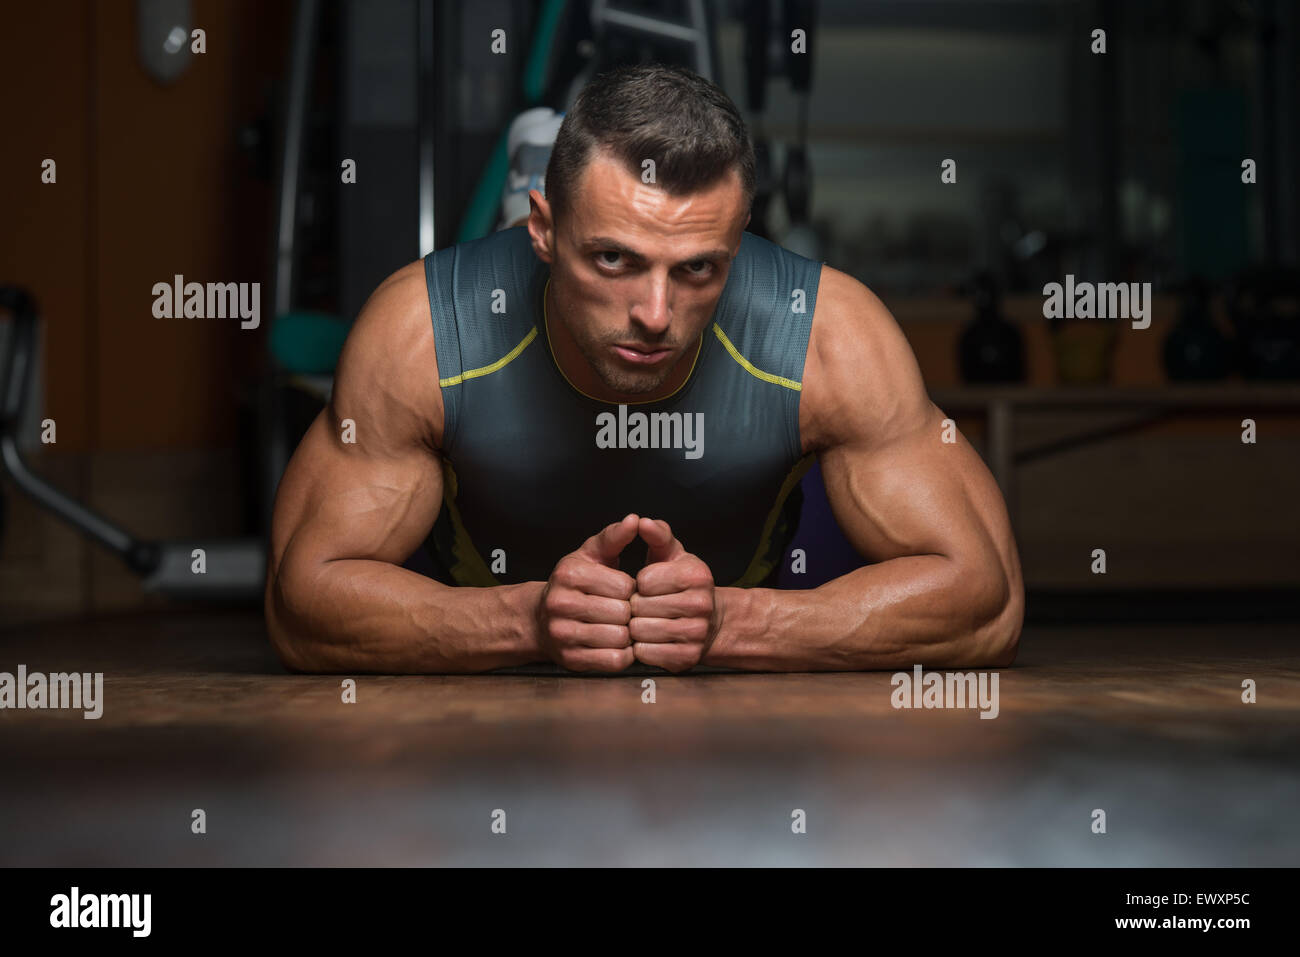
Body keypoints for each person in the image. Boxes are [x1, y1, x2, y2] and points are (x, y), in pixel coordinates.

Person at [264, 63, 1023, 674]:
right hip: (488, 597)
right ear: (543, 231)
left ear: (738, 240)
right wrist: (524, 620)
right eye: (613, 258)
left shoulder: (830, 331)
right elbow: (301, 602)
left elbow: (985, 598)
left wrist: (735, 622)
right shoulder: (422, 331)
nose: (656, 314)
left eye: (697, 267)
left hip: (758, 568)